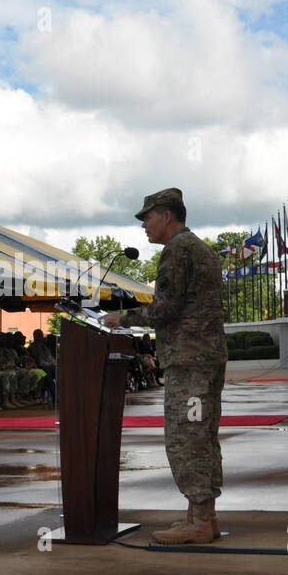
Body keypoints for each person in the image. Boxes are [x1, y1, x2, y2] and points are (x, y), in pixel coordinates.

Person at [103, 188, 227, 544]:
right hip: (204, 357)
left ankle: (200, 519)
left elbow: (165, 309)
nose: (144, 226)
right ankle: (201, 515)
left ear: (167, 215)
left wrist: (120, 318)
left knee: (186, 437)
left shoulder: (178, 252)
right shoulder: (199, 248)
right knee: (201, 434)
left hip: (190, 363)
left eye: (148, 218)